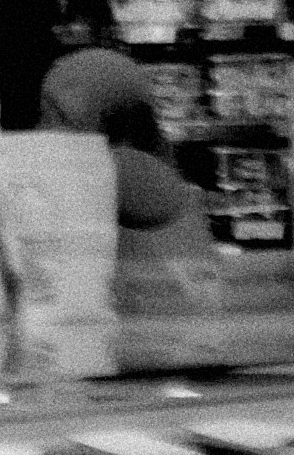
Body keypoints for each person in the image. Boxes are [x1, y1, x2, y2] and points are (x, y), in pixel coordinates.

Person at [36, 44, 219, 297]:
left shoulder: (122, 169)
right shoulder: (154, 170)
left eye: (55, 117)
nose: (41, 131)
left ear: (111, 121)